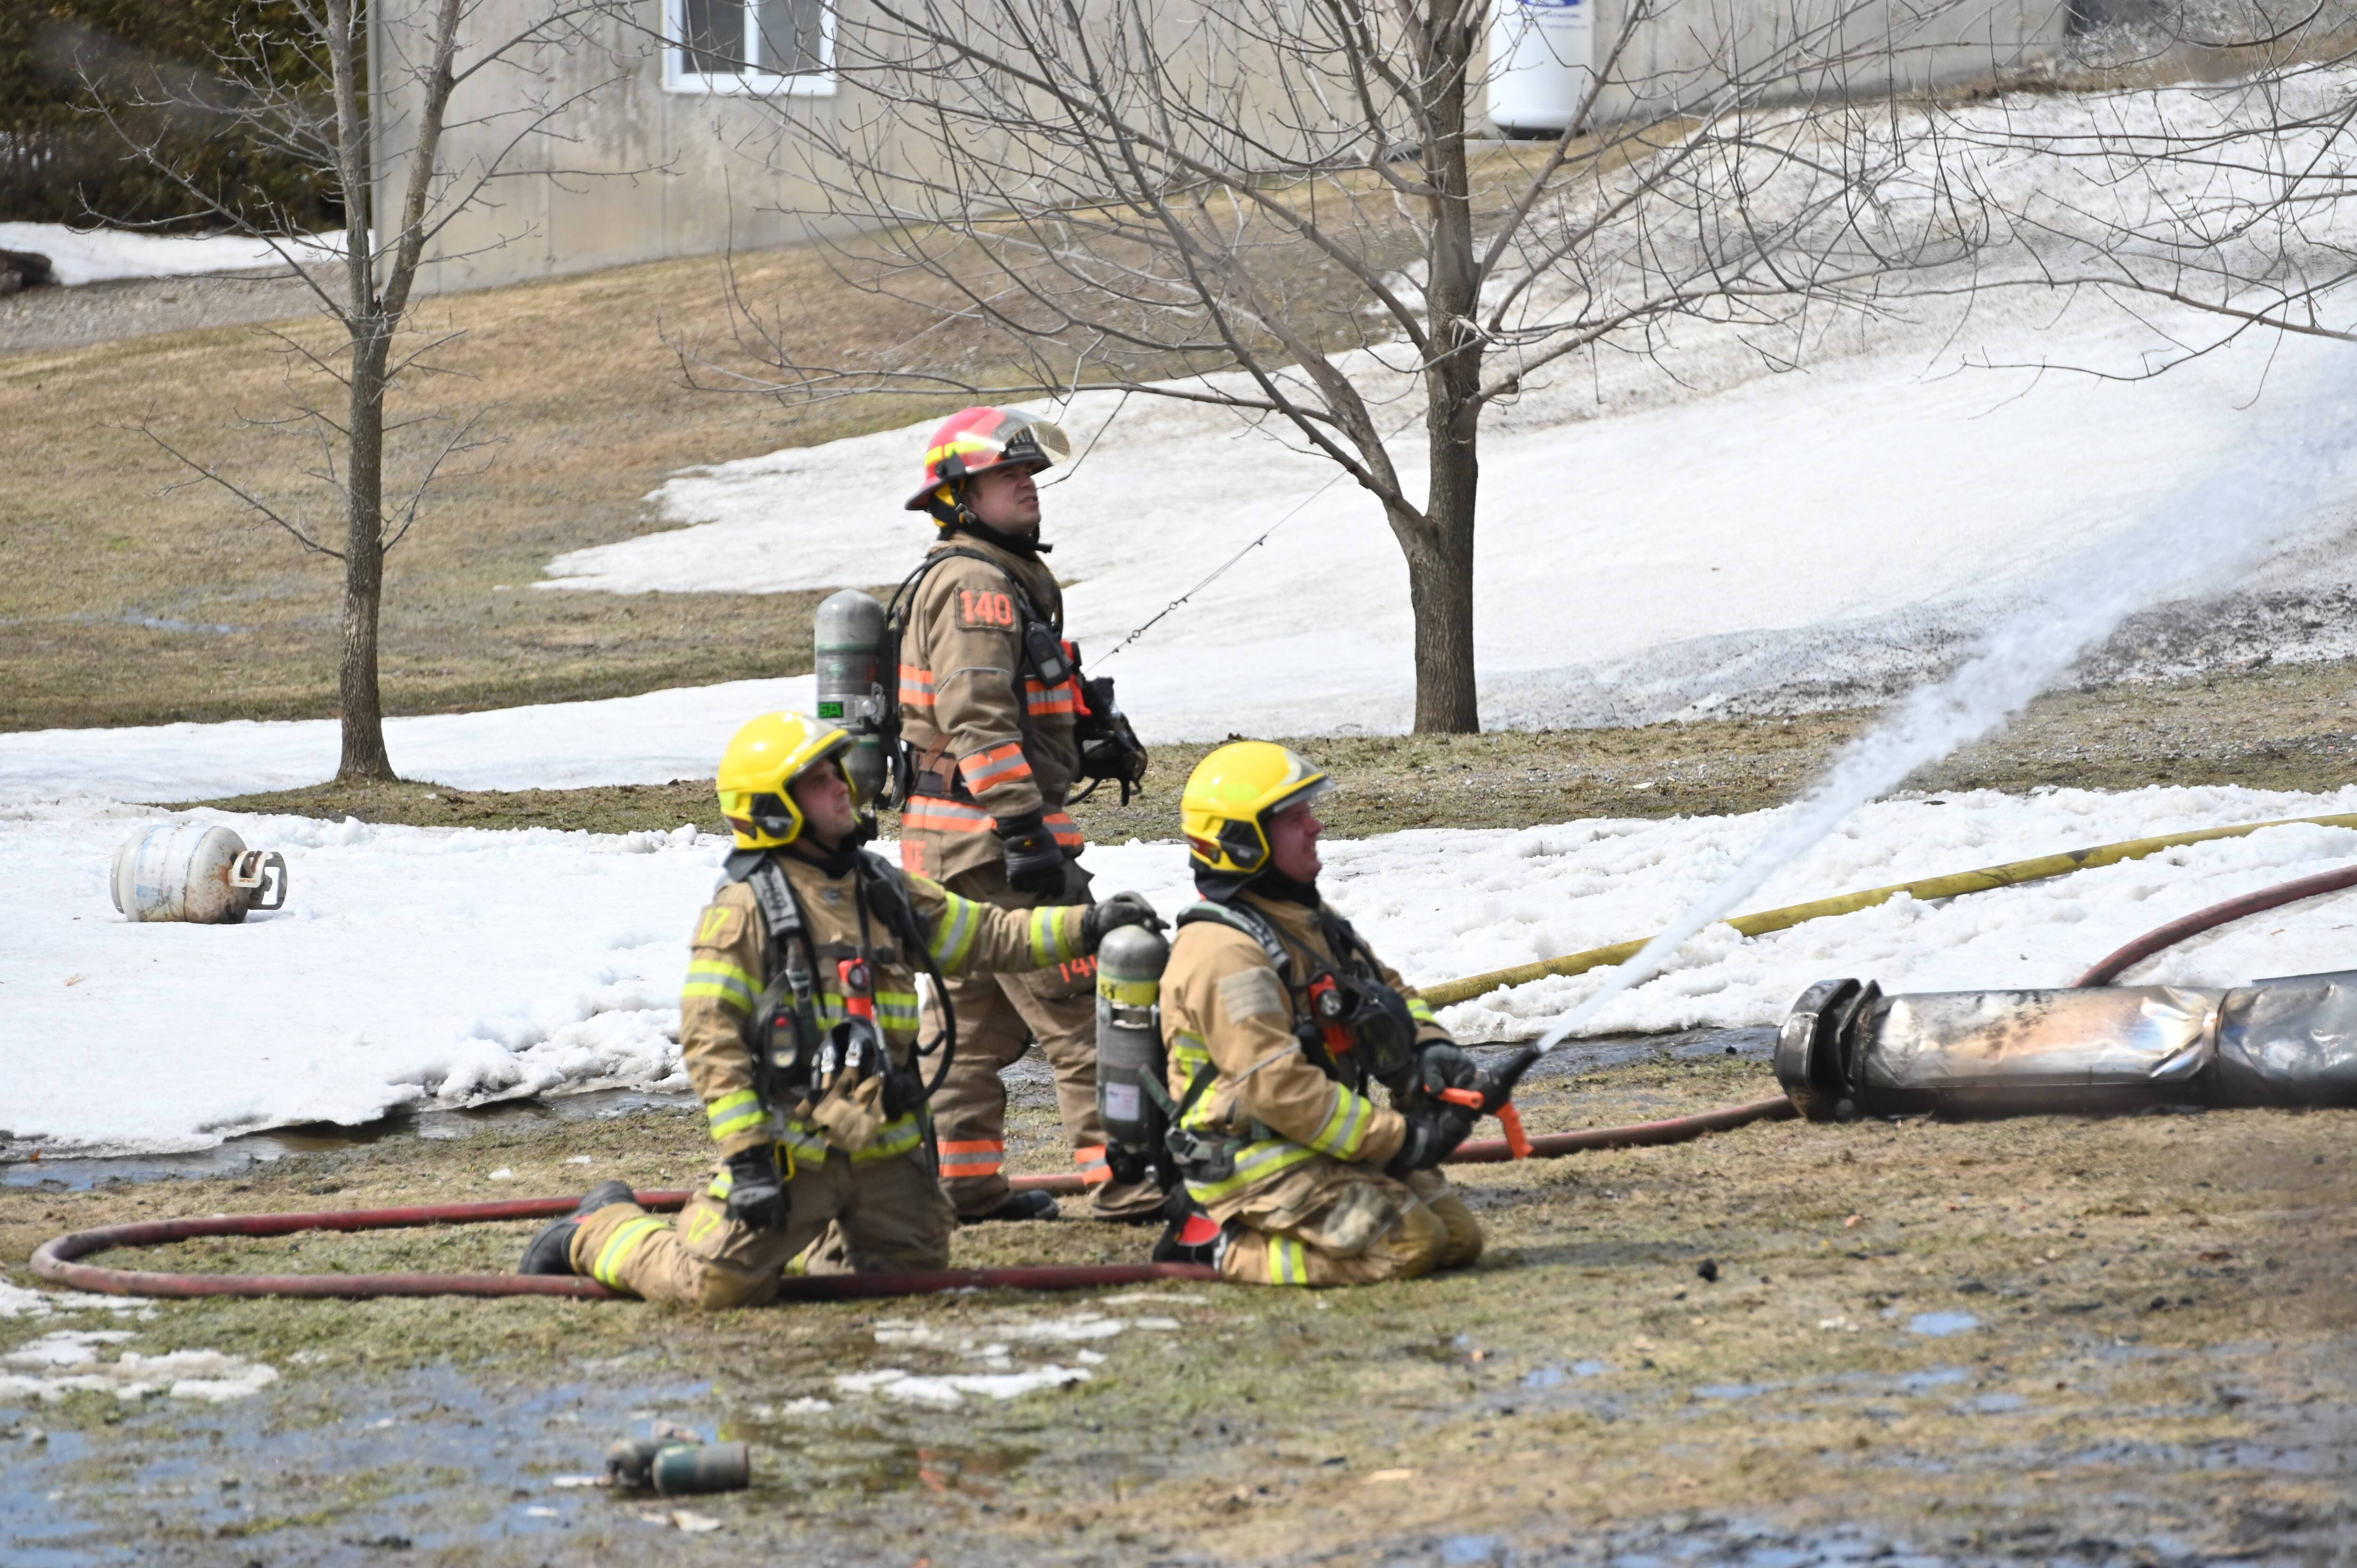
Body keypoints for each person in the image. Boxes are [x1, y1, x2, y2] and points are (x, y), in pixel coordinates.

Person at [519, 710, 1161, 1307]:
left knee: (907, 1284)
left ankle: (835, 1235)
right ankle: (598, 1227)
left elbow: (986, 934)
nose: (841, 787)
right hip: (797, 1147)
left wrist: (1090, 924)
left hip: (886, 1143)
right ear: (774, 810)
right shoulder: (745, 910)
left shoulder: (880, 886)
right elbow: (710, 1041)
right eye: (819, 780)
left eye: (836, 772)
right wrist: (747, 1158)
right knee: (715, 1281)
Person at [890, 406, 1162, 1224]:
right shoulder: (977, 586)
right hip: (993, 844)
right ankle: (1126, 1181)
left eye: (1031, 472)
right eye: (1008, 475)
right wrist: (1023, 830)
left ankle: (961, 1184)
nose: (1028, 484)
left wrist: (1082, 745)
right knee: (1084, 1011)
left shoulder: (986, 577)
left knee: (972, 1029)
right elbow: (977, 718)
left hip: (948, 846)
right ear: (958, 495)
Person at [1151, 741, 1510, 1287]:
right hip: (1253, 1159)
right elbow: (1278, 1088)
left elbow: (1388, 989)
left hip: (1315, 1139)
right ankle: (1215, 1246)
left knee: (1459, 1241)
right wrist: (1399, 1138)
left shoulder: (1304, 917)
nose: (1315, 827)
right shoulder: (1224, 954)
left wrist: (1432, 1049)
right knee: (1409, 1247)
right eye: (1295, 819)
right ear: (1241, 843)